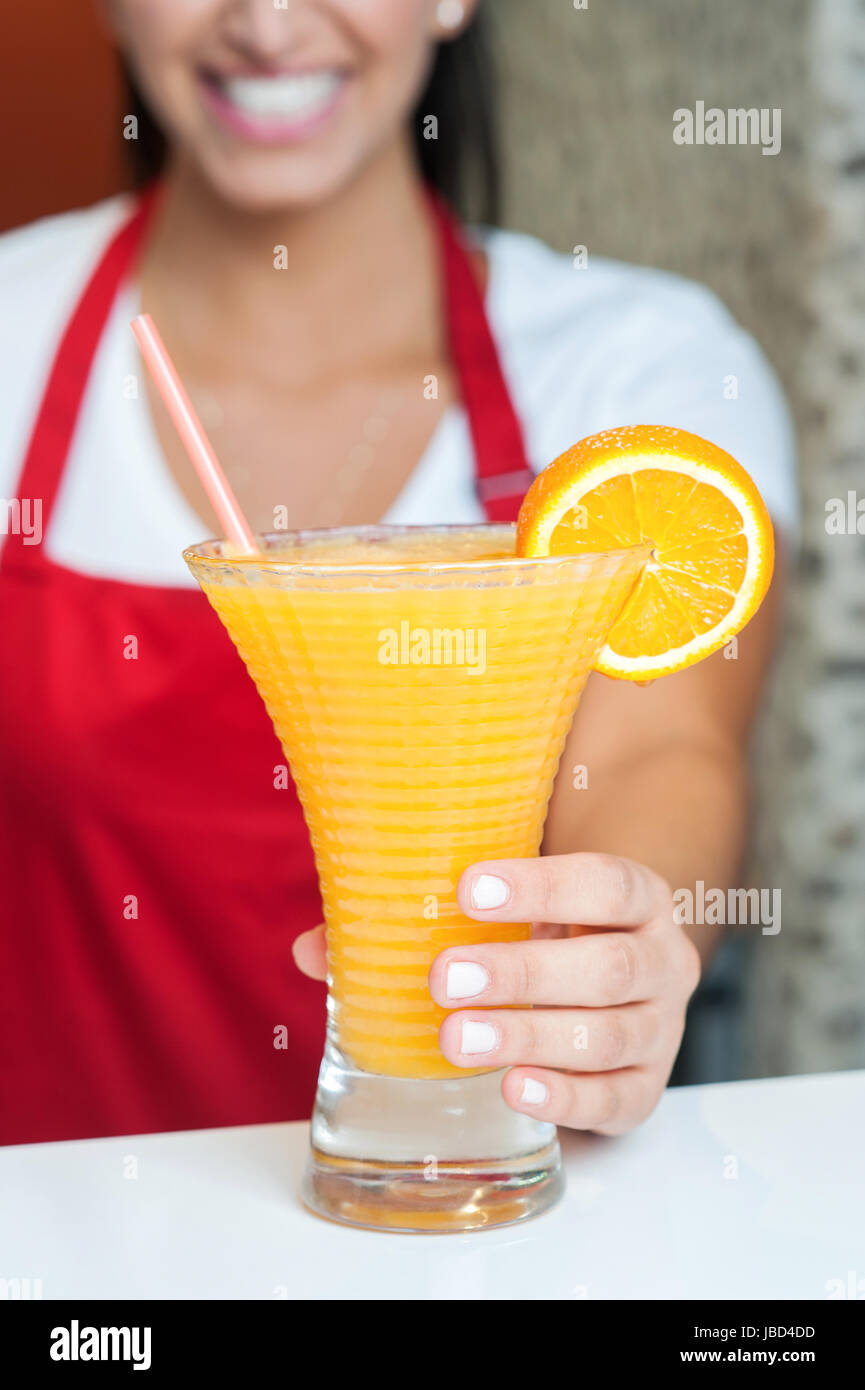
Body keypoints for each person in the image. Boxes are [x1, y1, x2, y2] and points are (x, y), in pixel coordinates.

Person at [0, 0, 796, 1147]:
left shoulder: (635, 369)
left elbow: (663, 752)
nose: (268, 24)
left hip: (489, 1227)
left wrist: (623, 944)